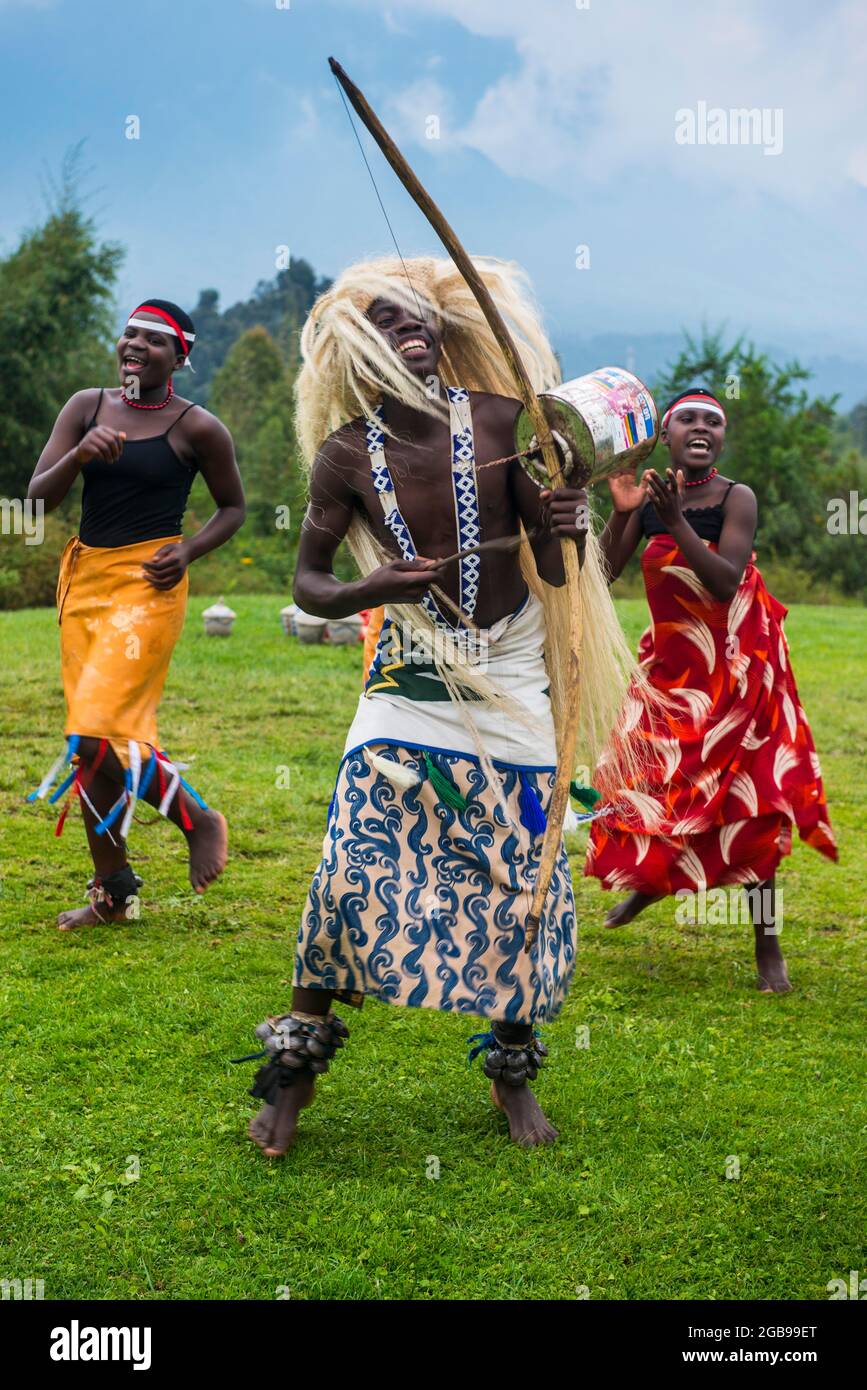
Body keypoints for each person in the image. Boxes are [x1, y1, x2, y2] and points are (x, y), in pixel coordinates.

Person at [243, 254, 653, 1154]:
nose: (413, 329)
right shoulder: (347, 454)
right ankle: (290, 1080)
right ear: (360, 350)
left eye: (421, 317)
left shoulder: (506, 424)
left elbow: (550, 573)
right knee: (351, 868)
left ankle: (513, 1080)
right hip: (407, 675)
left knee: (523, 880)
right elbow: (310, 583)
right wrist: (373, 585)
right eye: (389, 322)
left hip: (508, 671)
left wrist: (563, 530)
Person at [586, 388, 838, 992]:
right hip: (670, 673)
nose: (702, 427)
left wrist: (671, 520)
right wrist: (624, 512)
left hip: (738, 671)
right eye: (688, 420)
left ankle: (767, 949)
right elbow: (603, 573)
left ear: (721, 438)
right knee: (648, 783)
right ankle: (651, 883)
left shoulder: (735, 498)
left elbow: (725, 581)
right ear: (666, 436)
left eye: (713, 421)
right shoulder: (650, 498)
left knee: (749, 807)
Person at [27, 299, 246, 929]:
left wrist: (189, 550)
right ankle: (114, 892)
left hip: (149, 584)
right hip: (85, 581)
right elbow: (37, 497)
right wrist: (80, 457)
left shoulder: (197, 427)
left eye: (153, 340)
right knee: (91, 742)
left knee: (98, 723)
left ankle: (197, 819)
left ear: (180, 357)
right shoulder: (85, 406)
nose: (135, 346)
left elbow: (232, 508)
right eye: (130, 335)